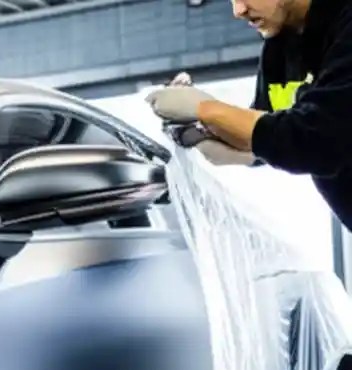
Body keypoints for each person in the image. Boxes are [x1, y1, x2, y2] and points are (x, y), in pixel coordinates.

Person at [145, 0, 352, 230]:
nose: (238, 11)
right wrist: (207, 129)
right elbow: (269, 128)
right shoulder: (280, 46)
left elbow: (322, 141)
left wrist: (207, 109)